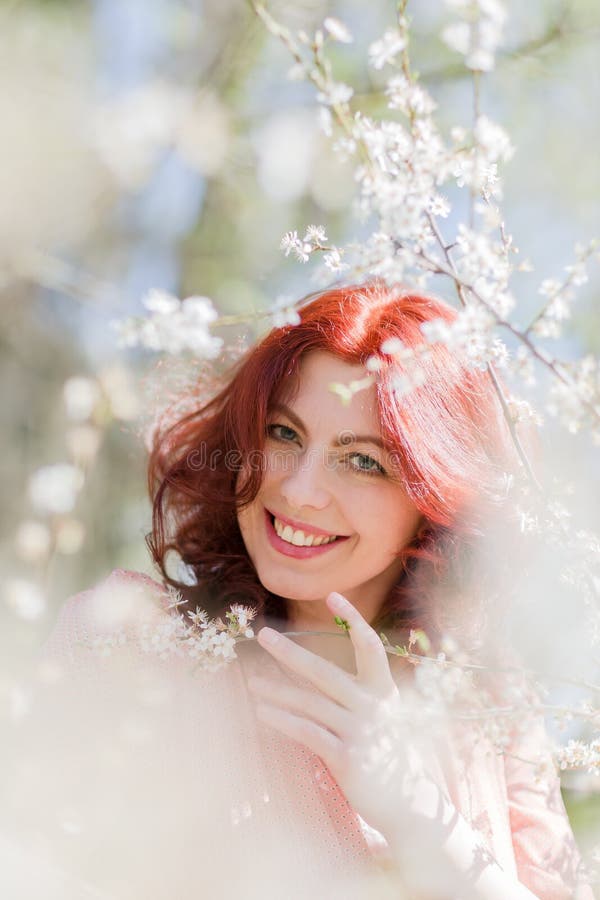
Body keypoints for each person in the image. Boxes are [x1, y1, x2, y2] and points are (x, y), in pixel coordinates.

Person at [39, 282, 592, 899]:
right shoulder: (131, 642)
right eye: (283, 433)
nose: (300, 491)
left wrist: (415, 814)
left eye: (363, 462)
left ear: (436, 501)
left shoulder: (494, 704)